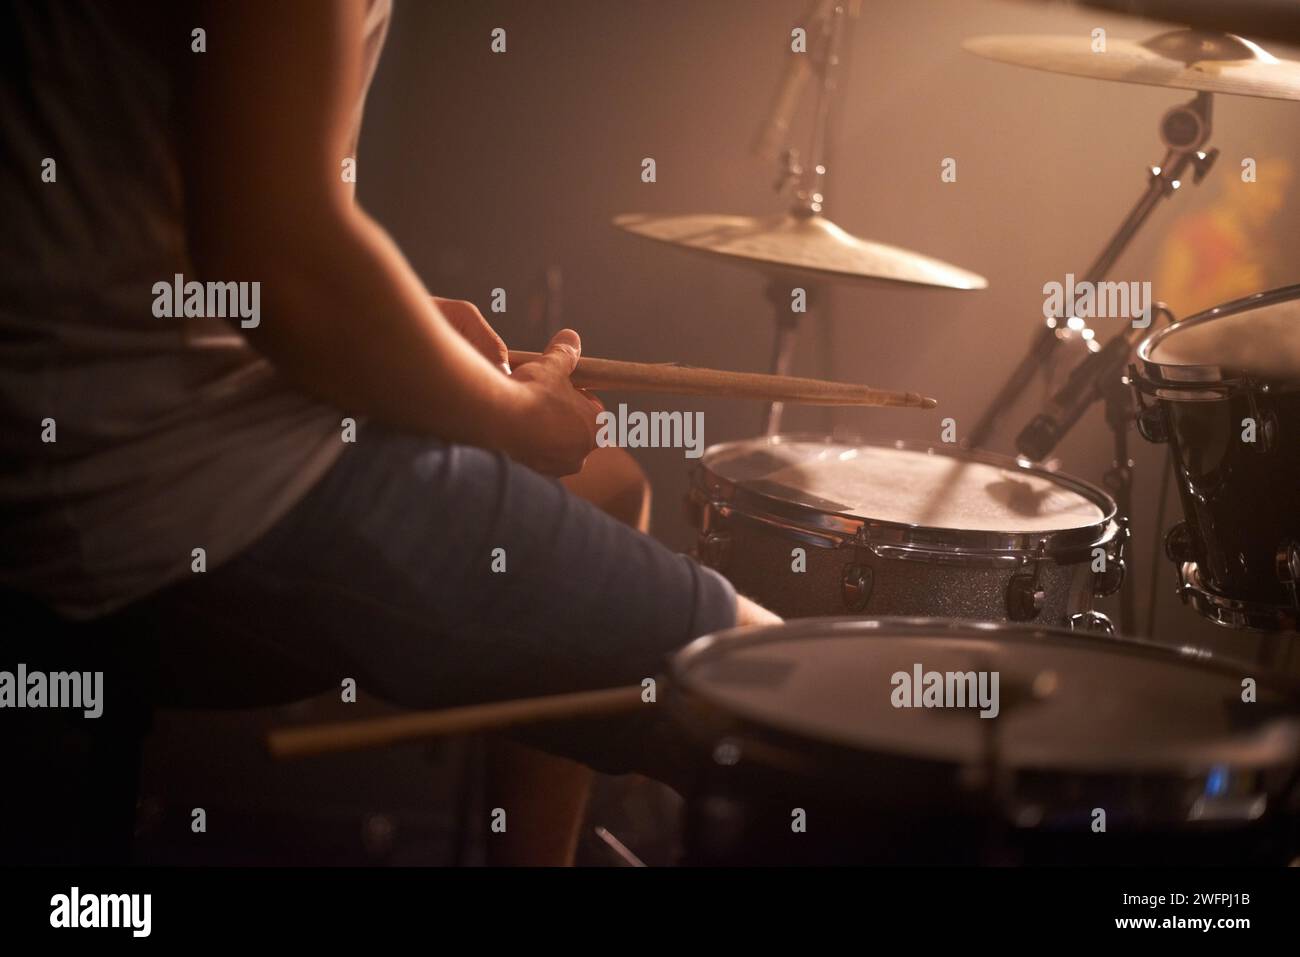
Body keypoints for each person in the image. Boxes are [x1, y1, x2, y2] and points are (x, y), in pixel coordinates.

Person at [0, 0, 778, 864]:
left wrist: (390, 326)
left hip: (87, 426)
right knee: (792, 706)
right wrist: (519, 416)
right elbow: (284, 263)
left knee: (607, 485)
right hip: (158, 472)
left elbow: (235, 201)